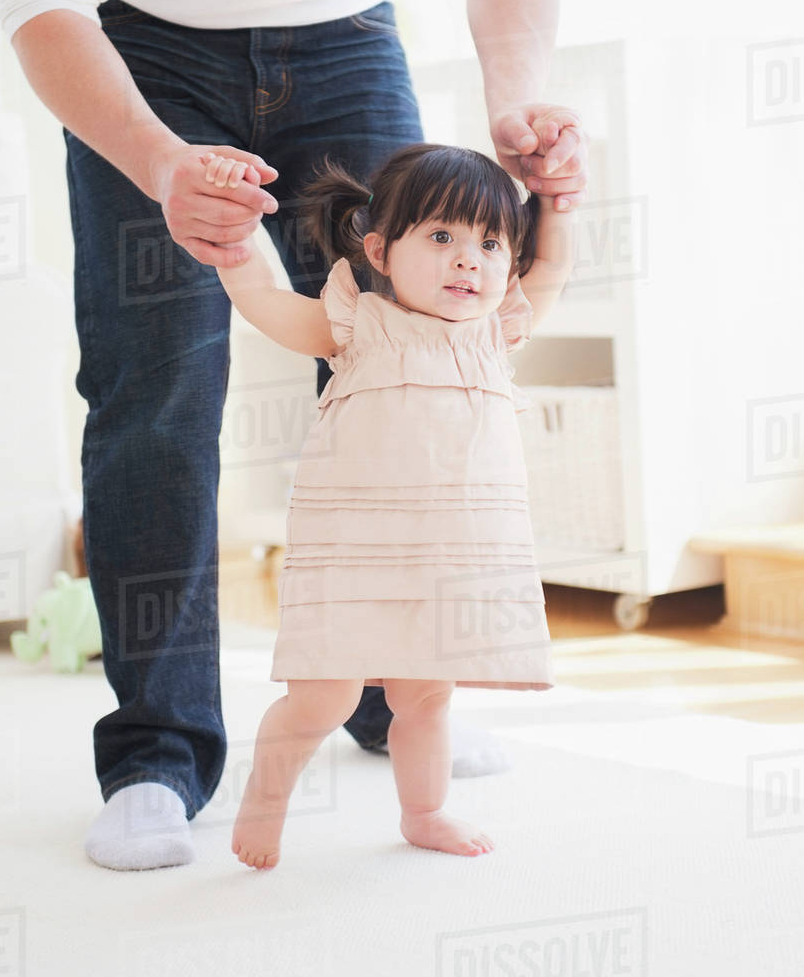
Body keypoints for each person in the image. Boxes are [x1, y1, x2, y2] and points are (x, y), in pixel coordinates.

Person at [0, 0, 588, 871]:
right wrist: (160, 165)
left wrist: (515, 96)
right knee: (154, 386)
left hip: (348, 35)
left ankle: (395, 698)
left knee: (409, 373)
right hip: (139, 52)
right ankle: (157, 755)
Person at [209, 140, 578, 868]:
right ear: (379, 249)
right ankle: (268, 796)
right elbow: (259, 299)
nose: (469, 259)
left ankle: (425, 810)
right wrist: (235, 235)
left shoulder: (494, 334)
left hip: (446, 558)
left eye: (490, 243)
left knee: (427, 698)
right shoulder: (356, 325)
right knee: (324, 698)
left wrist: (560, 199)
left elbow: (556, 264)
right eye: (442, 237)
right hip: (354, 552)